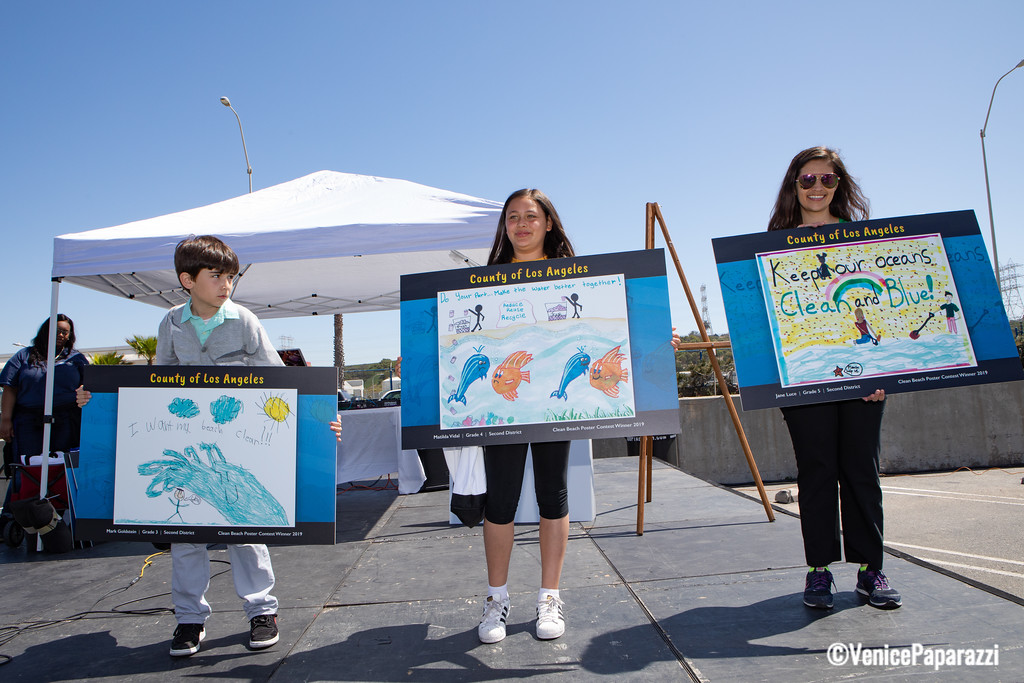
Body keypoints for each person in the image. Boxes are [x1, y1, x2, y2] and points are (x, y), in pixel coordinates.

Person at [78, 235, 342, 657]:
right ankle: (189, 619)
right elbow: (155, 382)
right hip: (186, 445)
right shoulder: (170, 324)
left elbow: (282, 381)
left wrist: (319, 421)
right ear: (187, 279)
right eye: (216, 275)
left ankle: (261, 611)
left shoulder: (246, 321)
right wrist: (96, 402)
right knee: (184, 534)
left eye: (231, 277)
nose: (226, 284)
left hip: (240, 445)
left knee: (246, 527)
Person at [768, 146, 900, 610]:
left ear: (839, 185)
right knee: (817, 473)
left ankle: (871, 570)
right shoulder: (772, 245)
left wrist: (886, 370)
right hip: (803, 378)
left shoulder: (868, 240)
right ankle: (819, 571)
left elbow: (888, 311)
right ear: (794, 186)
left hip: (866, 379)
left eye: (827, 180)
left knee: (862, 471)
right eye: (808, 180)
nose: (818, 188)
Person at [476, 189, 576, 644]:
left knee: (552, 494)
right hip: (503, 407)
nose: (521, 224)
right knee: (500, 500)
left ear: (548, 223)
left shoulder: (576, 278)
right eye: (512, 217)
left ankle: (549, 597)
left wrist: (655, 341)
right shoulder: (484, 283)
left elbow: (614, 326)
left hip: (552, 404)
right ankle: (497, 599)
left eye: (531, 216)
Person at [1, 314, 87, 460]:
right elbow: (10, 388)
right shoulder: (24, 355)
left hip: (67, 421)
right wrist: (5, 420)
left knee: (62, 468)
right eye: (57, 330)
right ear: (46, 330)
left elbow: (90, 384)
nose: (61, 335)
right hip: (28, 422)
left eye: (65, 332)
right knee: (28, 467)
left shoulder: (76, 358)